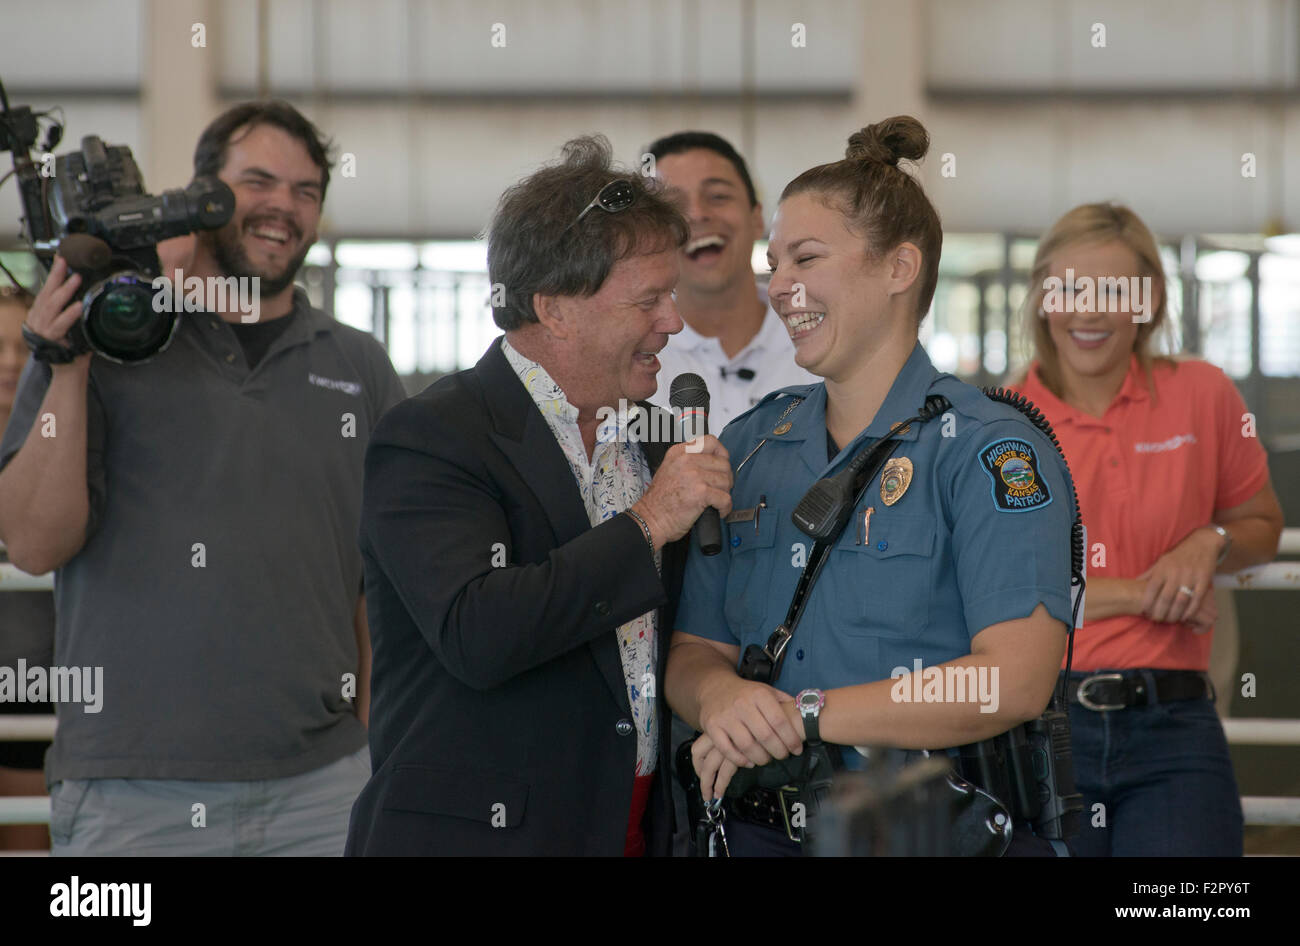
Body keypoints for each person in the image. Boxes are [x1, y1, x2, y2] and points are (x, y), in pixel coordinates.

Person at [0, 101, 406, 856]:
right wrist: (72, 361)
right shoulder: (106, 338)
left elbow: (377, 583)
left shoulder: (358, 366)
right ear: (202, 194)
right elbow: (30, 544)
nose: (283, 204)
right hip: (131, 798)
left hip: (322, 792)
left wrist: (370, 747)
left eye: (306, 190)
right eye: (258, 182)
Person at [665, 116, 1079, 857]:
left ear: (898, 268)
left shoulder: (987, 450)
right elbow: (695, 648)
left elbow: (1010, 682)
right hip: (754, 833)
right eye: (774, 262)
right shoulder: (749, 444)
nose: (779, 286)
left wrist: (807, 714)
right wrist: (720, 697)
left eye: (806, 258)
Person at [345, 136, 733, 857]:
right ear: (555, 309)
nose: (674, 322)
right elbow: (477, 632)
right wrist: (648, 522)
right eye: (649, 299)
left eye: (672, 295)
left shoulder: (654, 440)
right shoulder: (432, 436)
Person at [1009, 202, 1284, 857]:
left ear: (1149, 300)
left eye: (1114, 290)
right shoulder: (1004, 421)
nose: (1089, 310)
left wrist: (1209, 542)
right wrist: (1146, 592)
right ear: (1043, 298)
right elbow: (1016, 590)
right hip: (1040, 722)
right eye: (1070, 287)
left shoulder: (1204, 393)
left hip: (1176, 723)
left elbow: (1263, 524)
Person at [645, 131, 815, 430]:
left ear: (757, 218)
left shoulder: (820, 342)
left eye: (718, 197)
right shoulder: (635, 358)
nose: (697, 214)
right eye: (674, 205)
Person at [0, 285, 55, 852]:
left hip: (33, 691)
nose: (10, 362)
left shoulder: (64, 446)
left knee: (25, 845)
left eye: (23, 347)